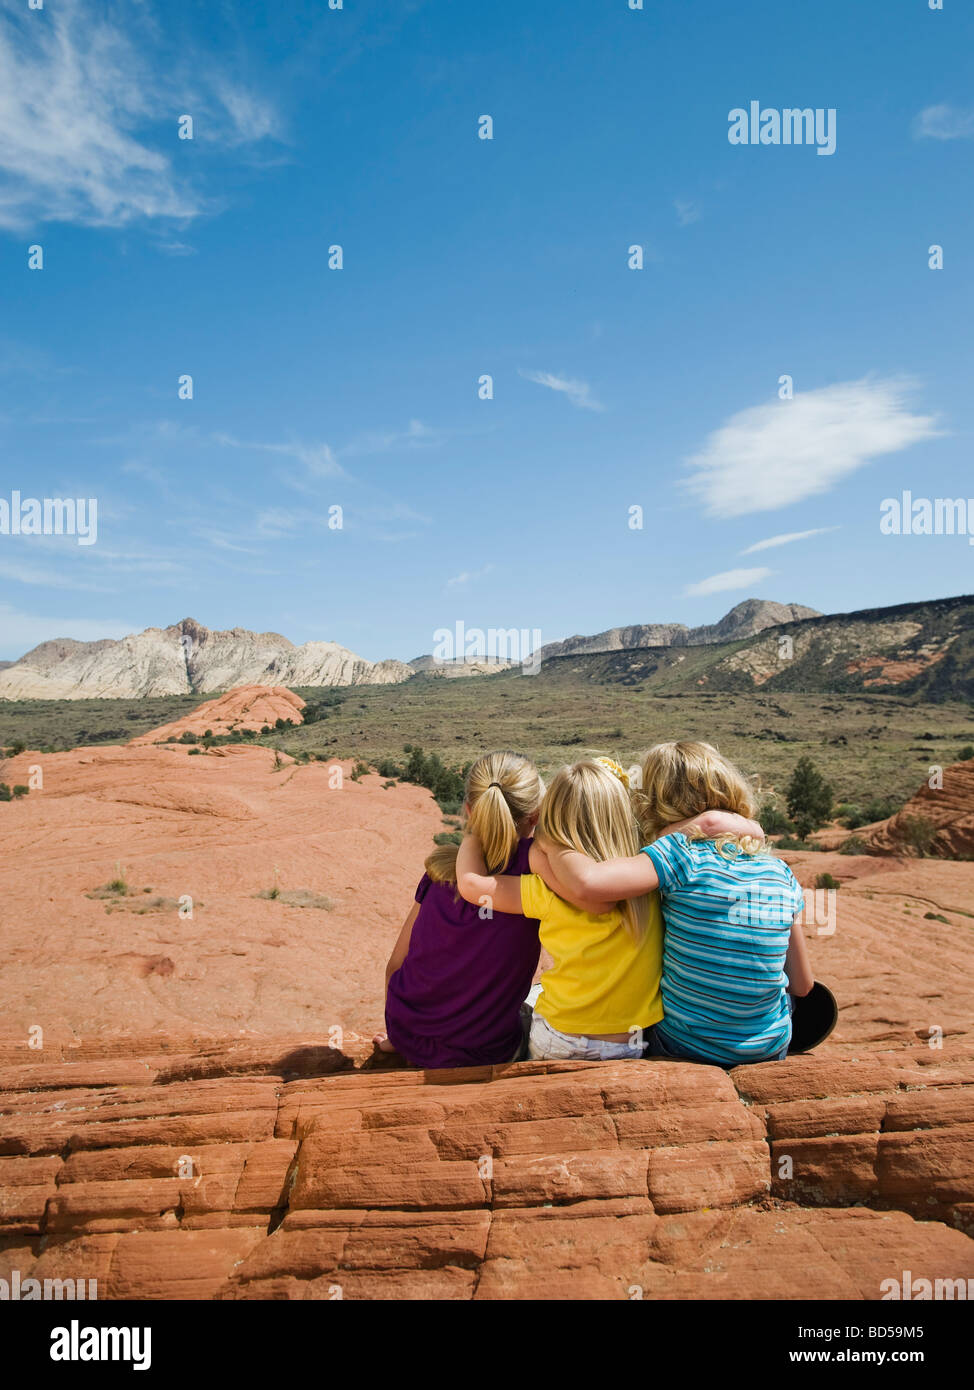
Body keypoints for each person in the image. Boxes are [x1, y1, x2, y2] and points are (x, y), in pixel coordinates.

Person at [536, 741, 813, 1066]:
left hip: (683, 1046)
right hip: (769, 1048)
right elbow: (803, 984)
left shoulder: (677, 855)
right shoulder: (780, 872)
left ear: (654, 802)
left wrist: (548, 843)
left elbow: (588, 884)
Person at [376, 750, 546, 1068]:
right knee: (539, 998)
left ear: (468, 810)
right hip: (488, 1050)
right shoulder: (539, 872)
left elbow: (394, 966)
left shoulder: (440, 872)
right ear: (535, 815)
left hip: (409, 1036)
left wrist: (396, 1038)